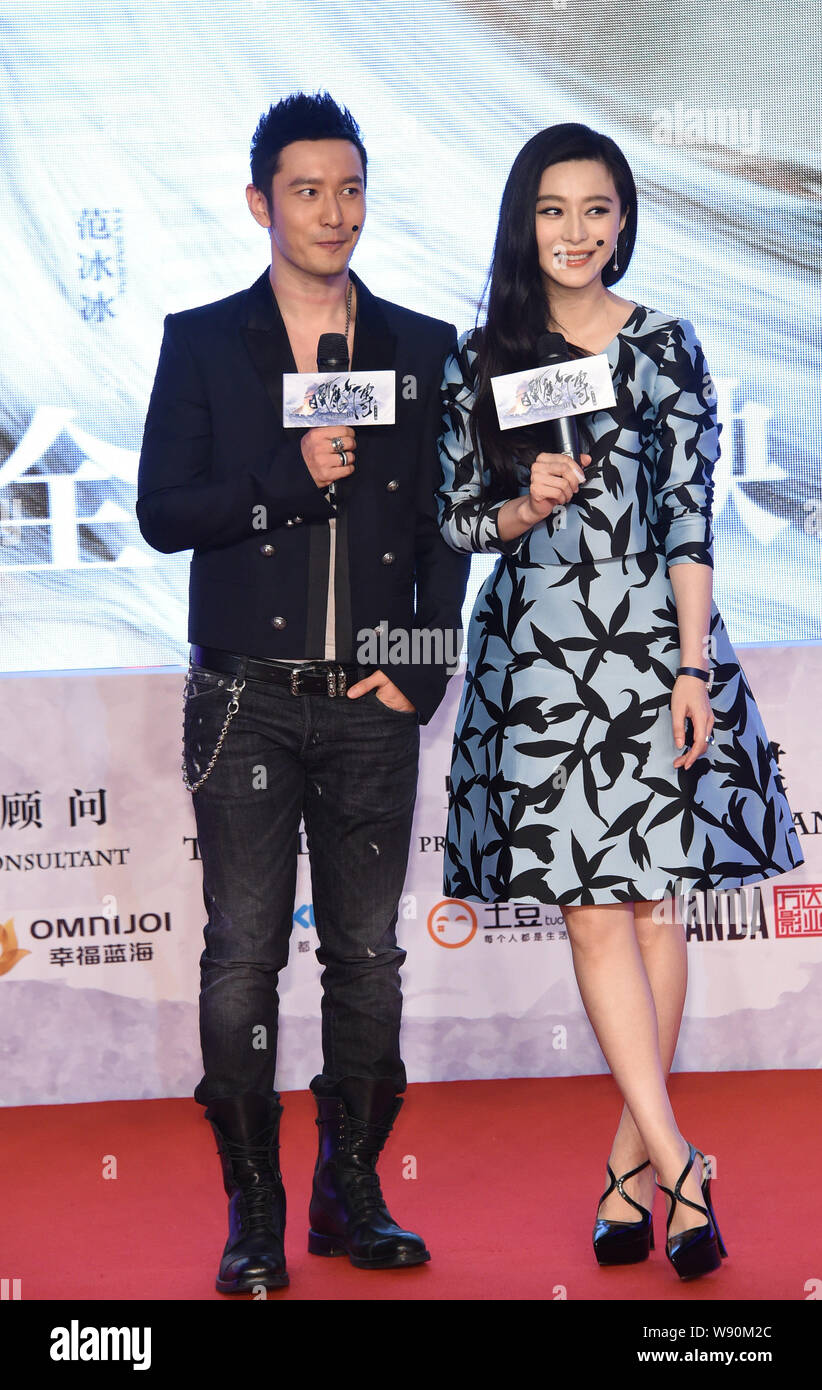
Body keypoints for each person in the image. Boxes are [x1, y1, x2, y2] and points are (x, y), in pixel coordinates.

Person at [435, 122, 804, 1282]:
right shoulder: (479, 356)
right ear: (522, 218)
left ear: (625, 219)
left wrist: (695, 669)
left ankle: (629, 1168)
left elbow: (690, 517)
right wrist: (521, 504)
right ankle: (685, 1165)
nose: (577, 233)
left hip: (653, 649)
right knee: (595, 913)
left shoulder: (666, 348)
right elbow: (453, 520)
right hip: (542, 656)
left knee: (657, 910)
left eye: (598, 210)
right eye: (554, 210)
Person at [137, 91, 469, 1292]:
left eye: (351, 187)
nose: (334, 212)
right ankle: (255, 1210)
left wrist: (424, 663)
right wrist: (280, 480)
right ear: (259, 203)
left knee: (370, 958)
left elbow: (446, 527)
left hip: (372, 702)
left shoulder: (424, 347)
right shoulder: (205, 341)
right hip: (245, 698)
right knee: (240, 957)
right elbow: (162, 512)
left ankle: (350, 1188)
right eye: (307, 190)